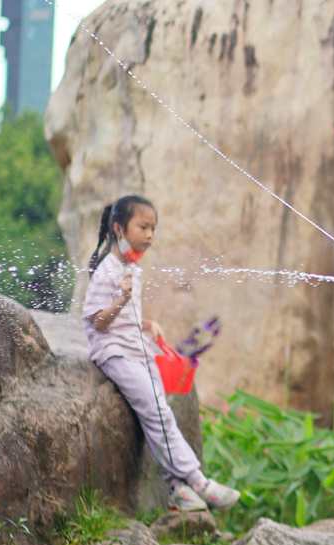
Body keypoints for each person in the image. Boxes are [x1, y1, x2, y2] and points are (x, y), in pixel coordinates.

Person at [83, 196, 239, 512]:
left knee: (160, 410)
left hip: (135, 349)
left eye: (153, 228)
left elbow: (124, 318)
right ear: (119, 229)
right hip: (114, 354)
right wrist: (120, 301)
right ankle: (198, 482)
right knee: (157, 411)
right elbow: (98, 322)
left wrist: (146, 325)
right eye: (143, 227)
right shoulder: (107, 271)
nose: (150, 235)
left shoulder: (132, 269)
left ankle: (178, 489)